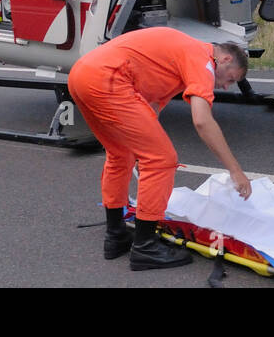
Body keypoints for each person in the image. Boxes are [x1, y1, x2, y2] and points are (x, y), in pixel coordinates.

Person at [67, 26, 252, 270]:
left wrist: (146, 161)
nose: (226, 86)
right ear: (225, 59)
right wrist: (235, 170)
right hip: (108, 78)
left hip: (82, 74)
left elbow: (150, 108)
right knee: (162, 159)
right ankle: (145, 247)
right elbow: (202, 120)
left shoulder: (180, 56)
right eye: (230, 78)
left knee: (121, 154)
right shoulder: (202, 59)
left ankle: (116, 236)